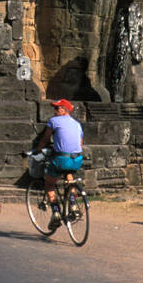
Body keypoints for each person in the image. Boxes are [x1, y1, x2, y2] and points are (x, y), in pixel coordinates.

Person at [33, 97, 84, 229]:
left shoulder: (53, 121)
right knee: (69, 176)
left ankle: (55, 211)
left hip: (62, 160)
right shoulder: (77, 124)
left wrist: (38, 150)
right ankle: (73, 204)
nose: (54, 111)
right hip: (77, 159)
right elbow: (80, 144)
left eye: (56, 108)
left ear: (63, 110)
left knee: (49, 183)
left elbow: (45, 138)